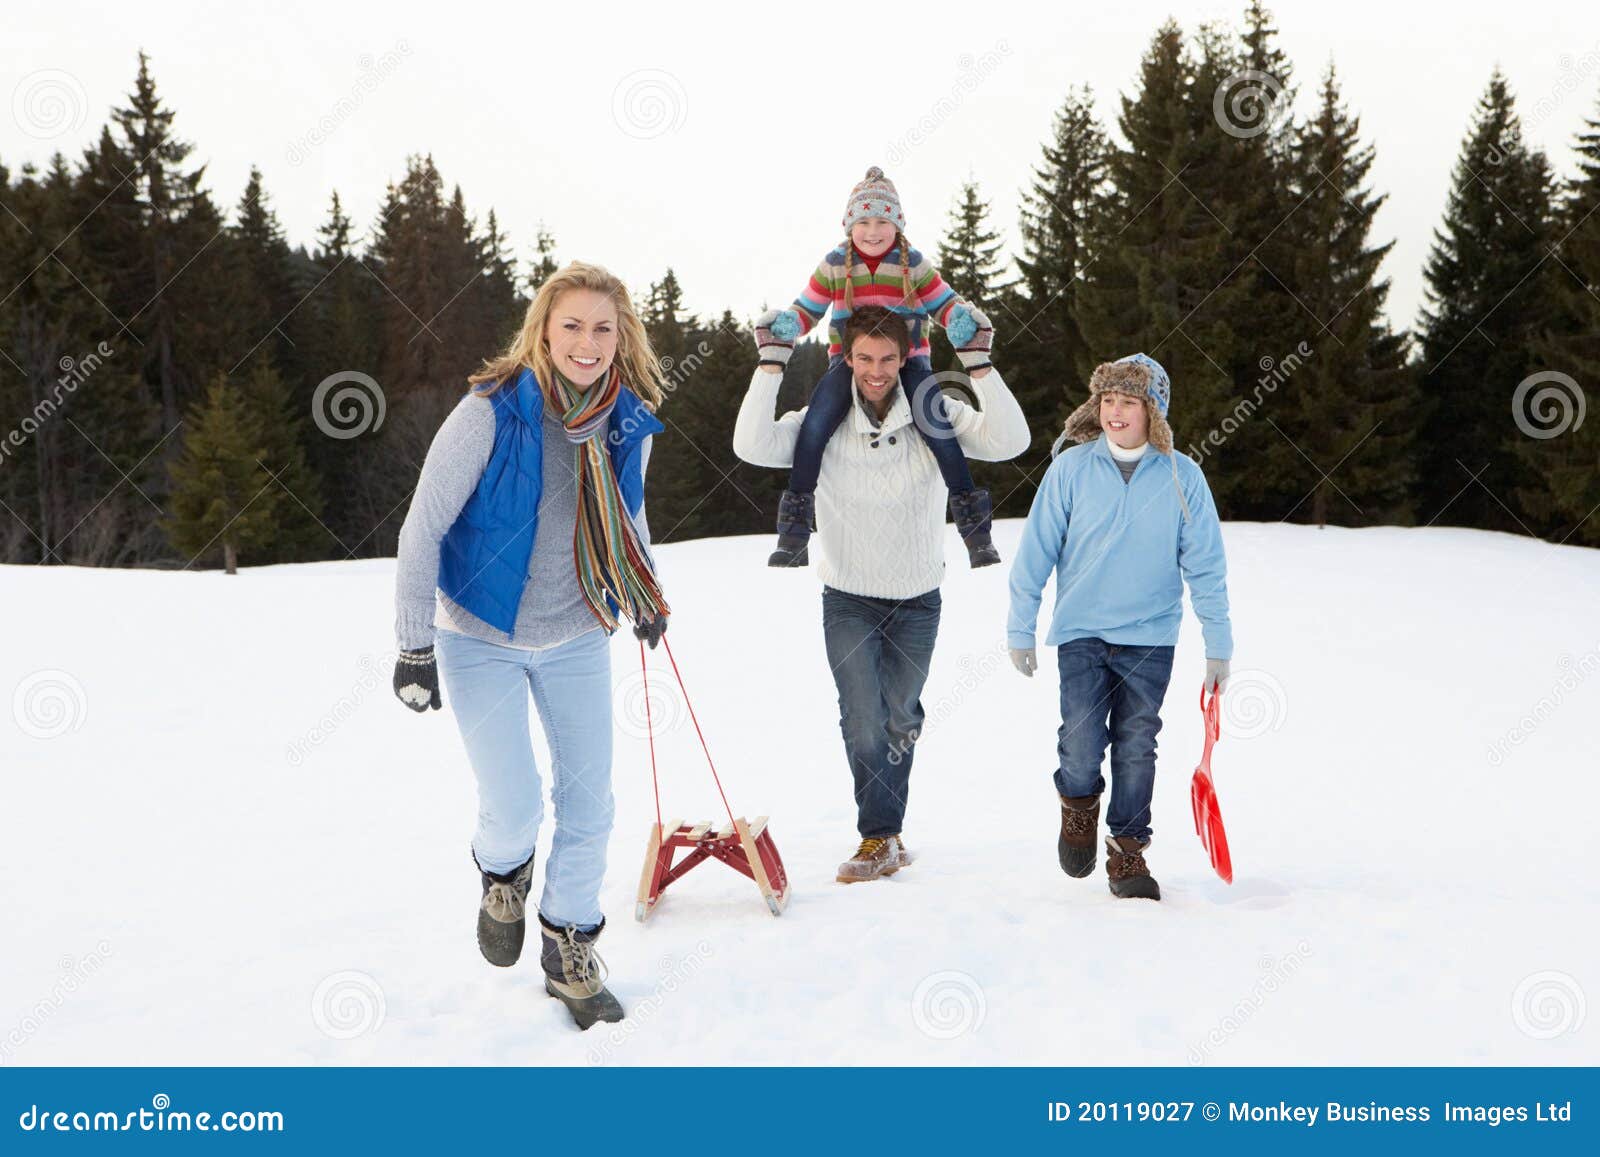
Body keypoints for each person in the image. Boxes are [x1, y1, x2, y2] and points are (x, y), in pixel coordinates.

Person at [390, 261, 670, 1029]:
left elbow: (631, 517)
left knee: (591, 804)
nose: (587, 341)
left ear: (622, 338)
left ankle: (569, 945)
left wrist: (644, 591)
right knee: (513, 802)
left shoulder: (624, 420)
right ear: (544, 327)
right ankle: (503, 871)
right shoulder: (490, 410)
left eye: (603, 327)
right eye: (572, 324)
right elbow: (422, 526)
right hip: (481, 635)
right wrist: (414, 644)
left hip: (578, 629)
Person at [735, 305, 1030, 882]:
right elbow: (752, 445)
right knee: (864, 718)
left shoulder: (932, 416)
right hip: (847, 594)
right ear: (846, 356)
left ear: (905, 359)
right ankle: (878, 835)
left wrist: (979, 365)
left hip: (918, 596)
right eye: (864, 358)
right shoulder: (821, 423)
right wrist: (770, 365)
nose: (876, 370)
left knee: (900, 717)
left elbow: (1010, 441)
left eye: (888, 359)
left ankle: (887, 834)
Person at [1007, 352, 1233, 901]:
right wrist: (1021, 625)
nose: (1115, 411)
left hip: (1150, 634)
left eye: (1128, 401)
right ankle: (1078, 806)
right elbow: (1036, 551)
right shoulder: (1071, 469)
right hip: (1082, 627)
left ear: (1153, 411)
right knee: (1081, 740)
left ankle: (1128, 849)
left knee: (1137, 742)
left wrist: (1217, 642)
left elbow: (1204, 563)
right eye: (1107, 399)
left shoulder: (1183, 476)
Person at [754, 165, 1001, 569]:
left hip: (912, 361)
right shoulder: (835, 263)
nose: (873, 231)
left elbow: (943, 302)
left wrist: (959, 318)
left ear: (897, 224)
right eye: (864, 221)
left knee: (938, 430)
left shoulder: (914, 263)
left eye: (882, 221)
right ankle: (794, 533)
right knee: (816, 426)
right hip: (848, 364)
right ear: (849, 225)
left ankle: (976, 535)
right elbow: (808, 309)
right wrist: (787, 325)